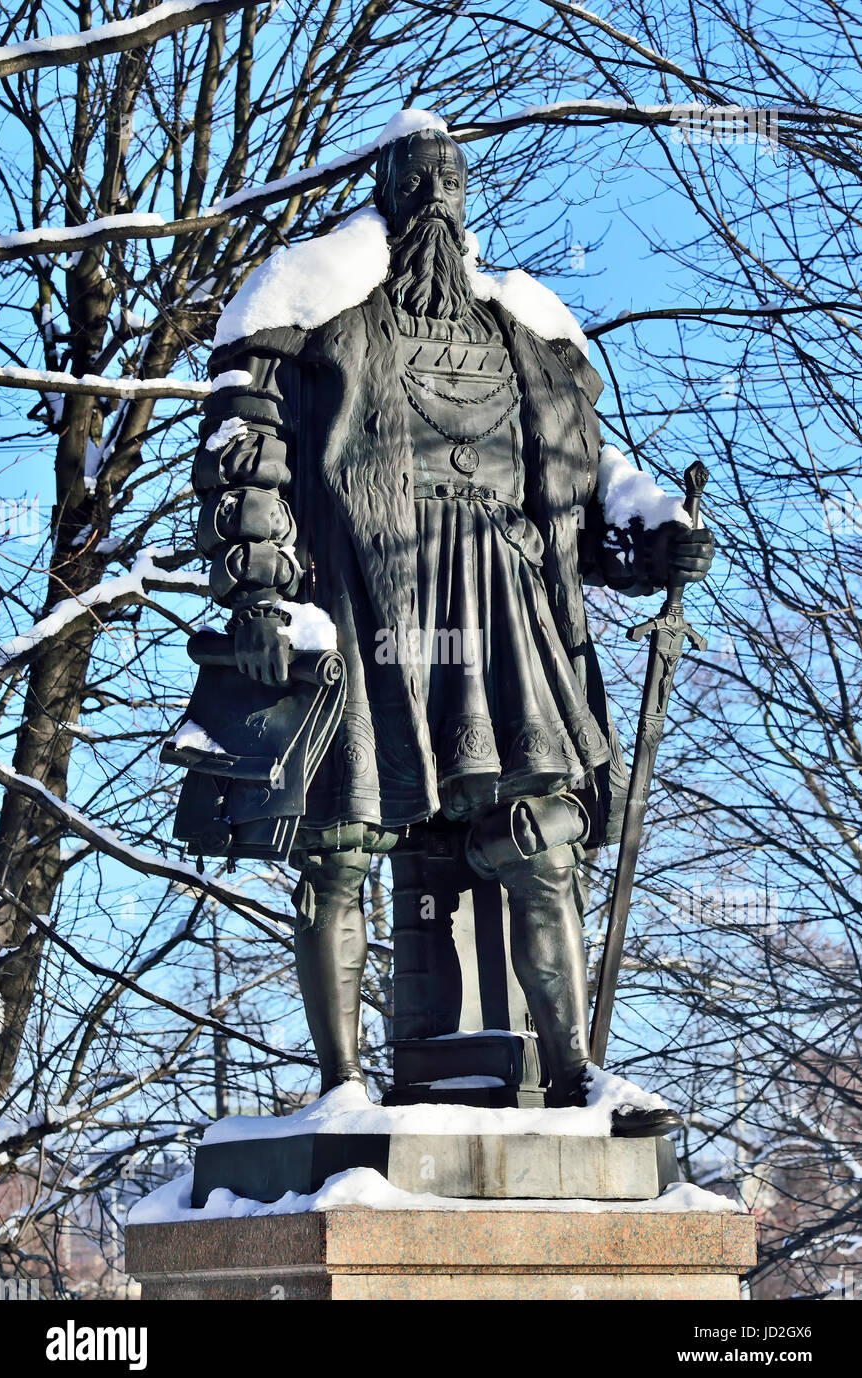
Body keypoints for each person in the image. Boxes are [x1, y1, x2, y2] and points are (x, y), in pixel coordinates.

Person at [188, 115, 714, 1131]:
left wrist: (654, 544)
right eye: (415, 176)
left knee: (537, 835)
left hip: (504, 606)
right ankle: (340, 1089)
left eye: (449, 178)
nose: (434, 192)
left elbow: (584, 483)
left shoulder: (526, 330)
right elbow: (243, 451)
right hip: (365, 599)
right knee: (340, 838)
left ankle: (574, 1078)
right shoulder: (314, 310)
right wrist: (257, 591)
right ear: (384, 188)